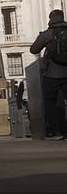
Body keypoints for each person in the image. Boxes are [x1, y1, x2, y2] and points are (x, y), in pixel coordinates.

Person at [30, 9, 67, 140]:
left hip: (52, 73)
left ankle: (55, 132)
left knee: (49, 101)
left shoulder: (48, 33)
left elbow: (33, 49)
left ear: (51, 19)